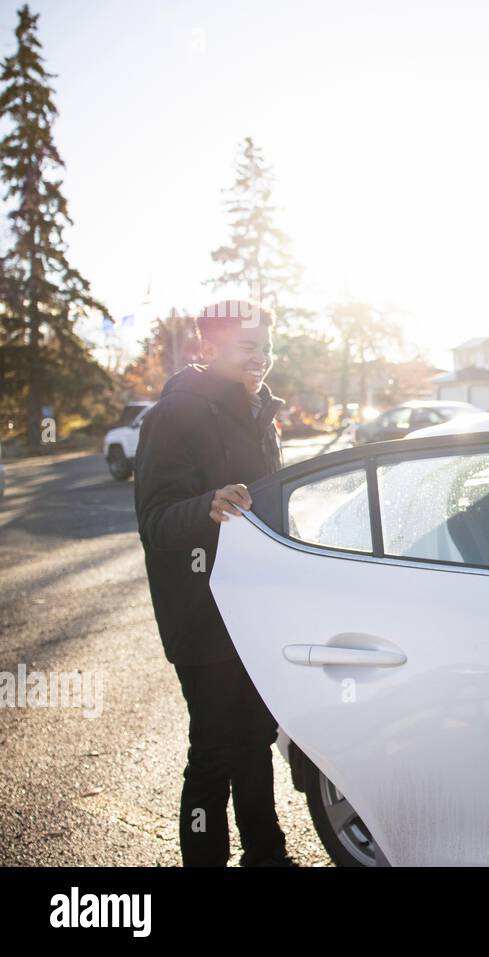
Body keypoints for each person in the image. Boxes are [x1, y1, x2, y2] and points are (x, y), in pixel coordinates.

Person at [134, 299, 294, 867]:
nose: (260, 360)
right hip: (201, 616)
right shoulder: (175, 415)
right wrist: (209, 504)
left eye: (267, 350)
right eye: (247, 348)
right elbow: (154, 522)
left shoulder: (260, 413)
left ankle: (267, 853)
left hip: (255, 610)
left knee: (256, 737)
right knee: (213, 752)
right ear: (209, 349)